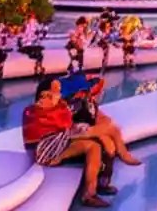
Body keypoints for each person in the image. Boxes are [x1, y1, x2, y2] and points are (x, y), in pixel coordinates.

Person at [22, 78, 112, 207]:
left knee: (96, 145)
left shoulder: (60, 107)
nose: (60, 94)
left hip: (61, 143)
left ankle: (92, 190)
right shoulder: (31, 112)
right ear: (44, 95)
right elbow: (41, 136)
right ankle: (89, 194)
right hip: (45, 150)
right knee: (94, 140)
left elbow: (66, 127)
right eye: (57, 91)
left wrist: (77, 128)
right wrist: (76, 131)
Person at [61, 71, 142, 166]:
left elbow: (96, 114)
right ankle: (118, 158)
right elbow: (71, 127)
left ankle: (123, 155)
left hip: (87, 130)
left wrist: (101, 123)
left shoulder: (87, 100)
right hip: (77, 134)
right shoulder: (73, 105)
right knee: (108, 142)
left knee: (112, 132)